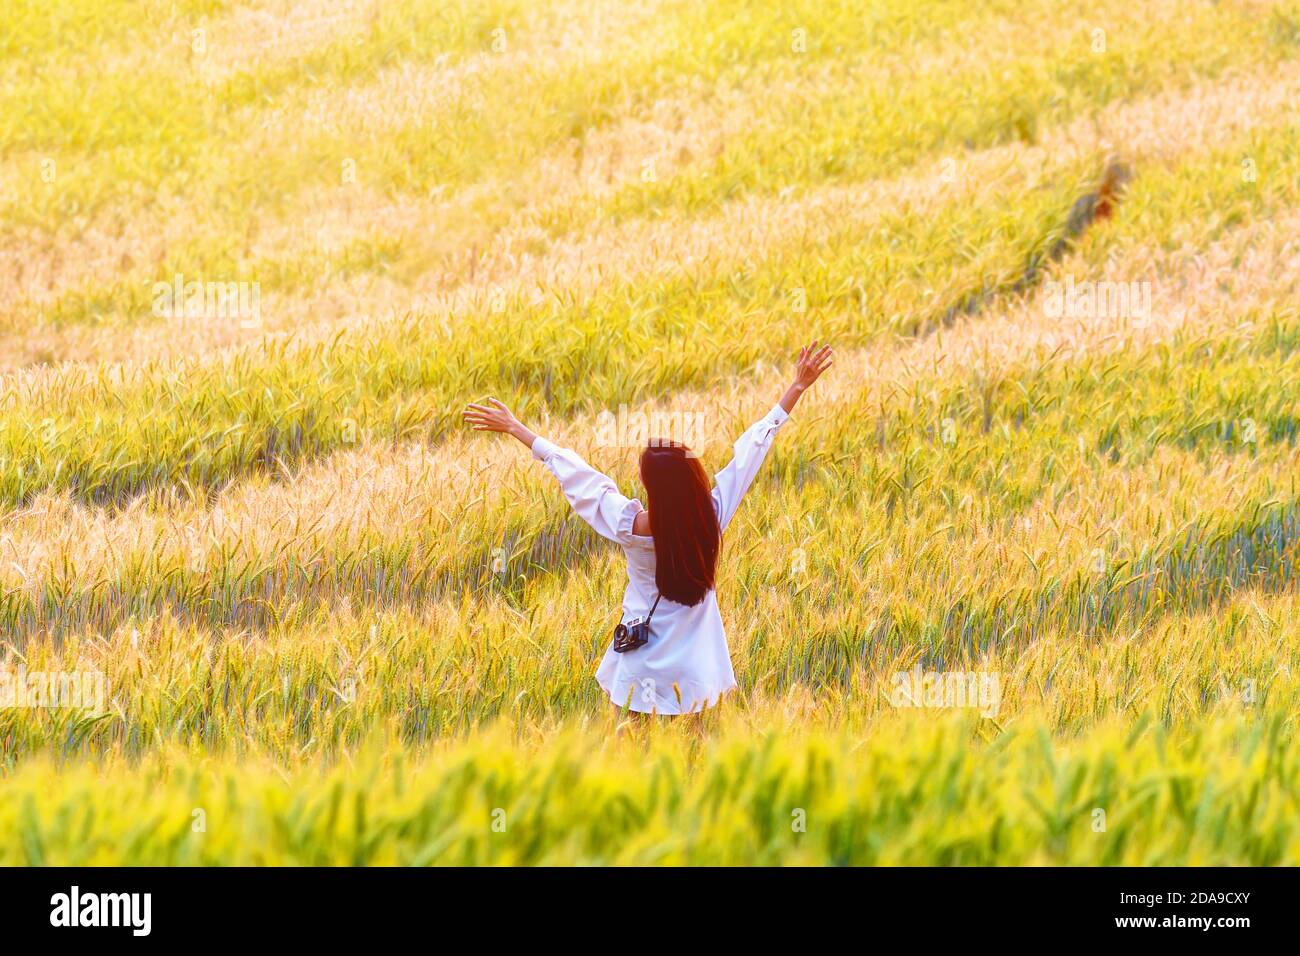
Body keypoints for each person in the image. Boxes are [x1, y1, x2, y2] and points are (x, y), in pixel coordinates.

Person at [463, 342, 833, 714]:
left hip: (639, 666)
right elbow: (752, 450)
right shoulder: (711, 516)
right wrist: (797, 387)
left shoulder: (629, 525)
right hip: (694, 671)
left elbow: (576, 473)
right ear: (691, 478)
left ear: (649, 484)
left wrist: (516, 428)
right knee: (697, 748)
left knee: (631, 748)